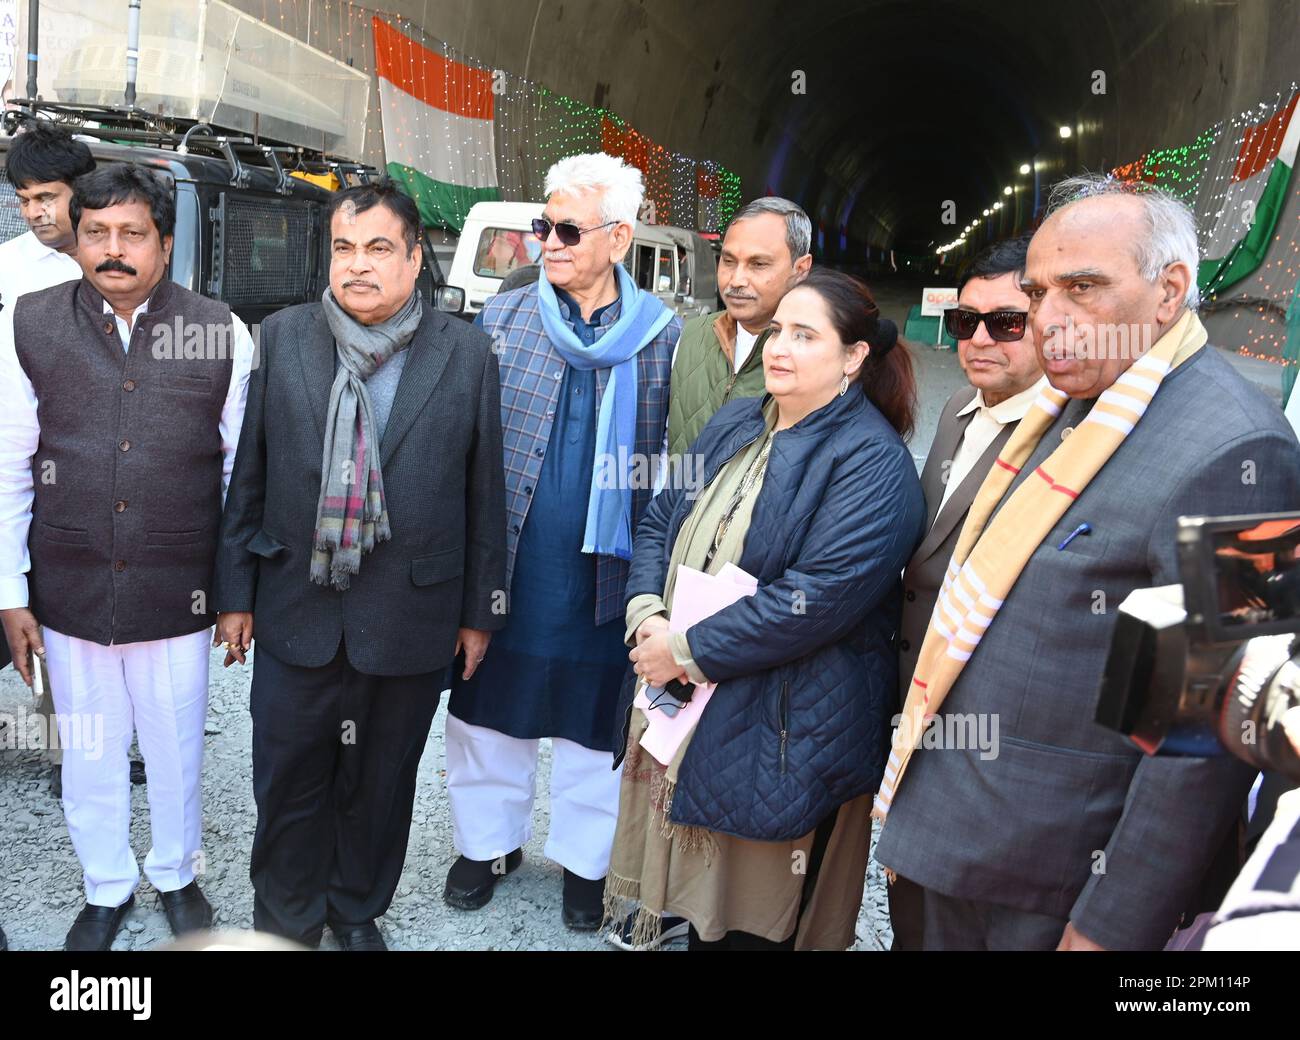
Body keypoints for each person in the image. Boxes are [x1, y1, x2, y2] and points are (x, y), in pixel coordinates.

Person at [873, 174, 1300, 951]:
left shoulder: (1241, 453)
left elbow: (1204, 740)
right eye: (1039, 293)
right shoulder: (1064, 411)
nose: (1050, 321)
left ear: (1170, 291)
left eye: (1084, 287)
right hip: (950, 845)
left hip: (1051, 889)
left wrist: (1108, 926)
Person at [213, 179, 505, 952]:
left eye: (379, 248)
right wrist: (234, 593)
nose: (358, 265)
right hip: (294, 608)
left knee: (379, 783)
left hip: (411, 615)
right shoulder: (281, 336)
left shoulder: (468, 355)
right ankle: (286, 919)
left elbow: (486, 497)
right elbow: (250, 474)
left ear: (416, 258)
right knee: (286, 781)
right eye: (345, 247)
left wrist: (481, 612)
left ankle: (354, 908)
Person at [605, 268, 925, 950]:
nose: (780, 347)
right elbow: (663, 516)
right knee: (697, 911)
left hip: (785, 723)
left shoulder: (872, 461)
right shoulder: (737, 420)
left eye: (806, 336)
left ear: (853, 356)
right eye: (778, 330)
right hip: (689, 692)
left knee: (758, 917)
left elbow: (815, 600)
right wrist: (645, 614)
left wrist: (683, 651)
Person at [0, 164, 256, 950]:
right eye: (96, 233)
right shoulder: (27, 322)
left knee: (177, 742)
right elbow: (10, 461)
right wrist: (10, 591)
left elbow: (238, 476)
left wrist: (235, 593)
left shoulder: (222, 331)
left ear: (165, 244)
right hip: (69, 583)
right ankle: (105, 885)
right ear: (76, 240)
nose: (113, 250)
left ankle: (178, 875)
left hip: (177, 587)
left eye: (132, 234)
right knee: (88, 745)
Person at [442, 153, 680, 931]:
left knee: (593, 722)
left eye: (568, 228)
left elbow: (676, 460)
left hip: (606, 573)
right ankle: (487, 847)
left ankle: (585, 866)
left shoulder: (665, 338)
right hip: (512, 564)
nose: (549, 240)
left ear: (619, 237)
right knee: (487, 711)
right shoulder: (503, 320)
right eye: (543, 225)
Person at [889, 235, 1044, 949]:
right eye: (964, 321)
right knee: (908, 888)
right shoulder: (956, 408)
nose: (980, 339)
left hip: (986, 720)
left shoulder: (1064, 439)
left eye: (1005, 322)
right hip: (916, 698)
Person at [0, 120, 95, 796]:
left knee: (75, 612)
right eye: (25, 197)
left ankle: (75, 755)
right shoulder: (7, 267)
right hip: (12, 456)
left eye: (49, 195)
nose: (37, 211)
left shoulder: (114, 257)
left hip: (83, 465)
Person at [666, 196, 812, 463]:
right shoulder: (690, 336)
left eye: (758, 264)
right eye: (729, 261)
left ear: (800, 269)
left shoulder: (818, 359)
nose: (736, 280)